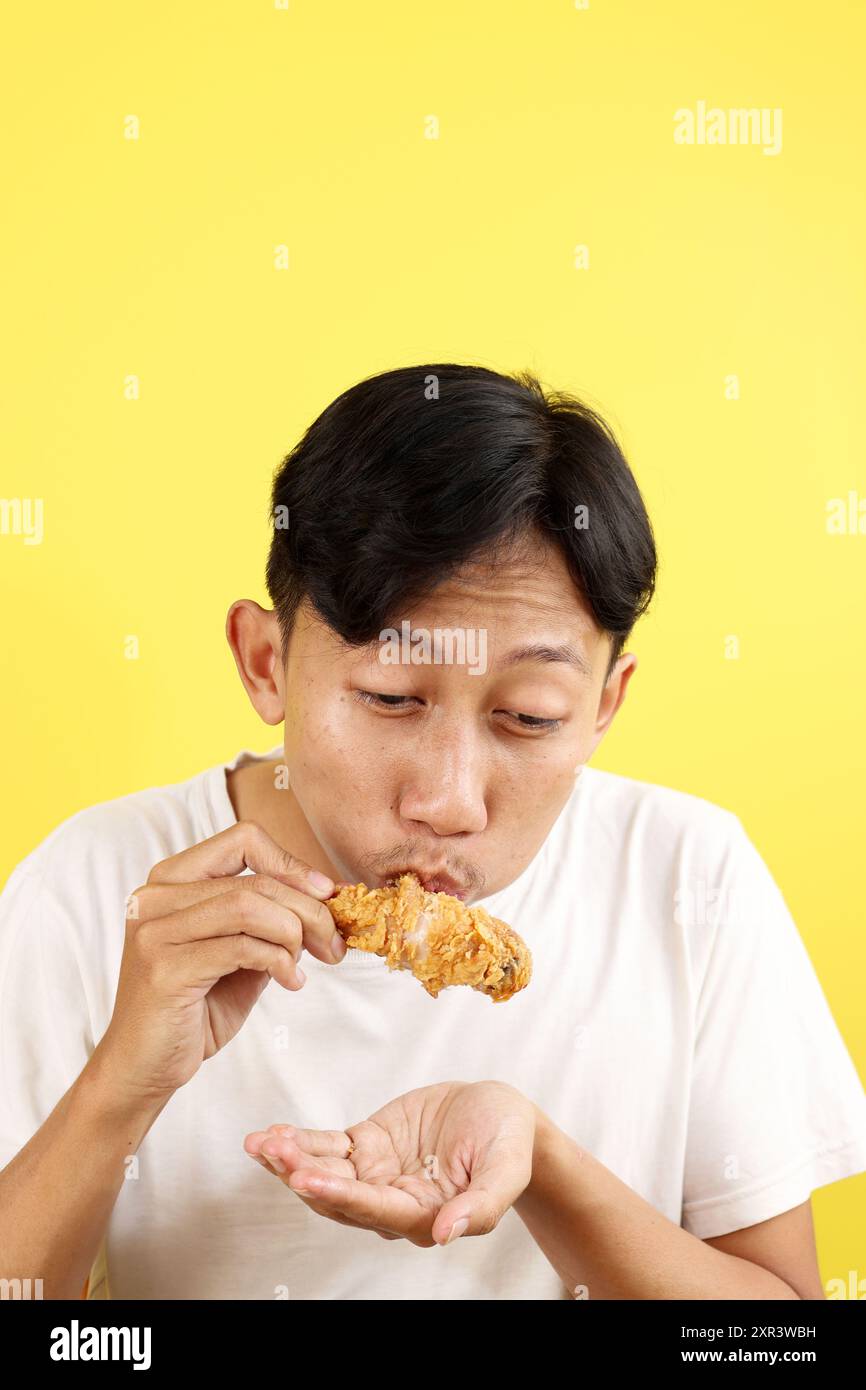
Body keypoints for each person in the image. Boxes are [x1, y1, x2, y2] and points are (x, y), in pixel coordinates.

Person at [1, 363, 864, 1300]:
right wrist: (119, 1087)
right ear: (265, 662)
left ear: (606, 704)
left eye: (530, 717)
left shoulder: (689, 875)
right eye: (390, 698)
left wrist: (544, 1165)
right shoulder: (101, 888)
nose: (450, 802)